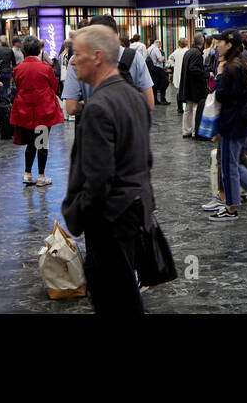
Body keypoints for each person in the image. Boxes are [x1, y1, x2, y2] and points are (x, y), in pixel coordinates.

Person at [61, 24, 155, 314]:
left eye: (77, 54)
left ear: (97, 57)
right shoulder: (135, 99)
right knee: (126, 295)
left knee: (113, 299)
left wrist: (79, 213)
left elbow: (97, 179)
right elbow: (145, 159)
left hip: (108, 220)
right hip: (135, 211)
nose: (72, 59)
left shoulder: (98, 107)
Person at [207, 31, 247, 222]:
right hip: (239, 121)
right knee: (232, 163)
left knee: (229, 165)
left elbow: (222, 94)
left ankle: (231, 208)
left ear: (230, 44)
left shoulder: (232, 67)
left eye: (221, 42)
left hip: (232, 121)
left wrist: (219, 75)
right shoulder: (244, 64)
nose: (217, 45)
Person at [11, 35, 64, 186]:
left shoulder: (18, 68)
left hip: (24, 110)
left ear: (24, 50)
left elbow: (18, 86)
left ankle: (27, 173)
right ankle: (41, 175)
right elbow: (54, 87)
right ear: (39, 49)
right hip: (43, 110)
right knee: (42, 142)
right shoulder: (45, 68)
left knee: (30, 143)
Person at [84, 15, 155, 109]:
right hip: (128, 120)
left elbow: (71, 107)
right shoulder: (135, 57)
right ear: (117, 36)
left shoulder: (79, 60)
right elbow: (149, 104)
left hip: (95, 119)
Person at [180, 37, 209, 138]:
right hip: (195, 86)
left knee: (188, 108)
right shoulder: (197, 54)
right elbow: (194, 69)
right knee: (196, 108)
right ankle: (194, 131)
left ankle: (186, 130)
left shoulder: (189, 52)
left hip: (187, 85)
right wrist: (206, 74)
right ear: (202, 42)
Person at [167, 38, 189, 111]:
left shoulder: (176, 52)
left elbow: (169, 59)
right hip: (186, 72)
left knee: (179, 91)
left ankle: (179, 108)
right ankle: (185, 107)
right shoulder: (187, 51)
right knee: (186, 90)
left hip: (177, 73)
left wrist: (174, 65)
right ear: (186, 43)